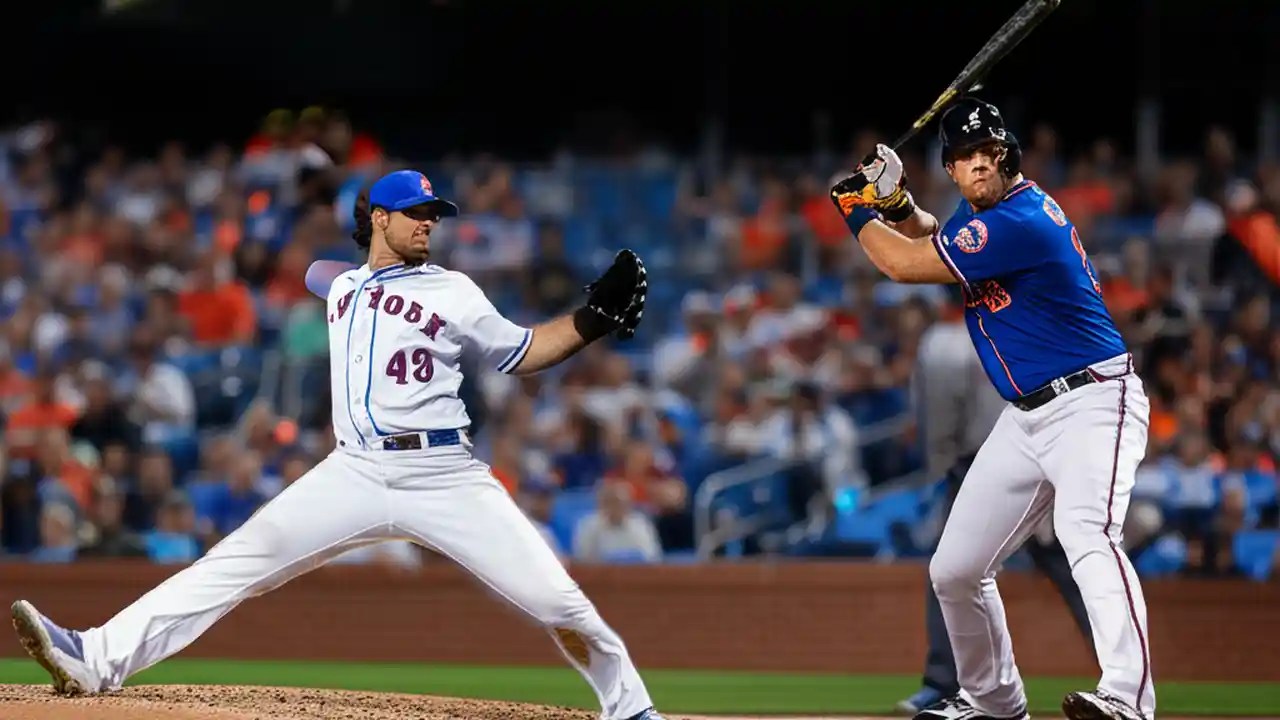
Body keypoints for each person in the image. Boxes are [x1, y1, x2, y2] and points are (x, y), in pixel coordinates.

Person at [11, 169, 664, 720]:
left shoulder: (451, 289)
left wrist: (589, 322)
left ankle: (631, 706)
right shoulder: (345, 287)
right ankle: (94, 659)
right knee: (233, 562)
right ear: (380, 219)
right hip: (352, 472)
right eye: (415, 214)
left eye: (433, 215)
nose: (427, 224)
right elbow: (325, 273)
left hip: (442, 472)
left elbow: (523, 354)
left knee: (556, 600)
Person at [830, 98, 1154, 720]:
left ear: (1007, 158)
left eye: (988, 153)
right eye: (964, 157)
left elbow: (901, 264)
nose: (978, 164)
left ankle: (1128, 698)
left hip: (1093, 400)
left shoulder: (1020, 219)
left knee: (1087, 532)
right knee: (954, 568)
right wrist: (896, 206)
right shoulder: (987, 218)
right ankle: (995, 704)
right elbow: (939, 238)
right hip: (1027, 417)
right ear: (951, 168)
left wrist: (856, 208)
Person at [898, 293, 1094, 714]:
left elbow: (940, 415)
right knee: (1073, 569)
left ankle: (943, 683)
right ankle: (1120, 677)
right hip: (1040, 453)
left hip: (980, 464)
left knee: (954, 571)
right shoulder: (1024, 323)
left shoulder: (947, 338)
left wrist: (939, 466)